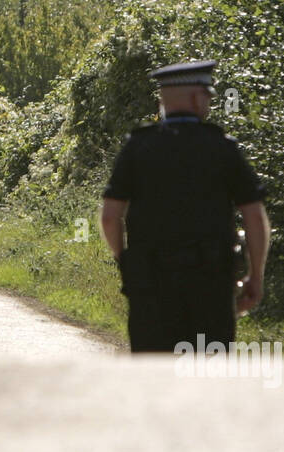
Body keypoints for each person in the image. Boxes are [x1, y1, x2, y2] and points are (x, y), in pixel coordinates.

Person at [100, 60, 270, 352]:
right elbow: (254, 217)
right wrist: (255, 276)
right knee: (207, 372)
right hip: (211, 283)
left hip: (151, 284)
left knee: (155, 374)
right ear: (195, 97)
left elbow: (110, 217)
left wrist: (127, 263)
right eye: (208, 96)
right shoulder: (221, 148)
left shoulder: (138, 147)